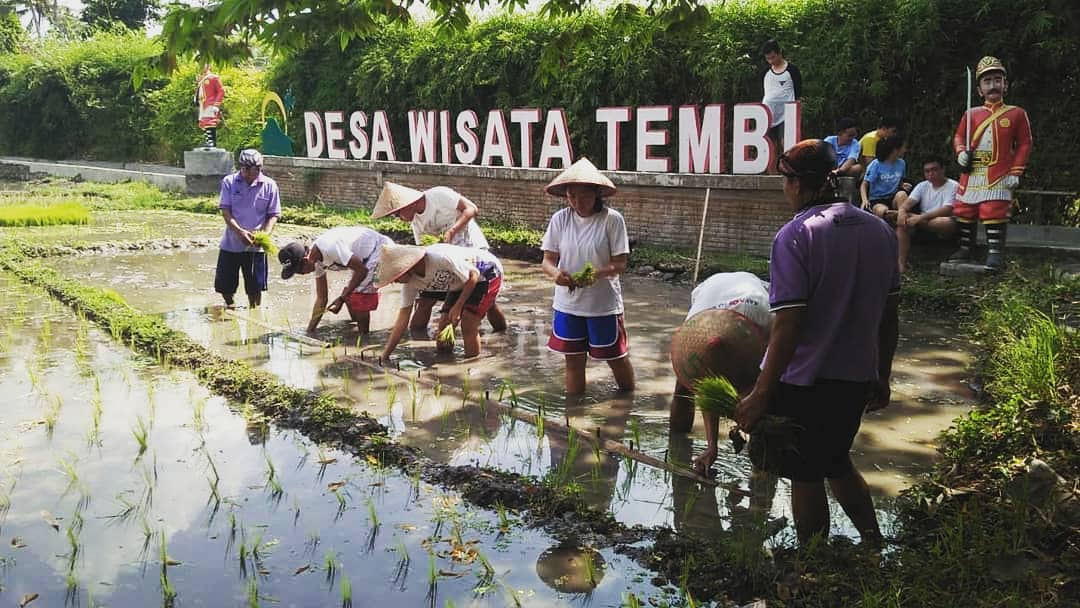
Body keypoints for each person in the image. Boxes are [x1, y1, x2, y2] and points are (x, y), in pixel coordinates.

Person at [729, 139, 899, 546]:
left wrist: (761, 393)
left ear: (796, 183)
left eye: (785, 181)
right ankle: (873, 542)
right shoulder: (880, 231)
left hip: (804, 381)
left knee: (805, 475)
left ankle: (812, 562)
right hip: (856, 377)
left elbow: (788, 324)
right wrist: (882, 374)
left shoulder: (795, 236)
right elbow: (889, 316)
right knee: (836, 461)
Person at [540, 158, 634, 395]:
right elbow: (547, 261)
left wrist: (596, 274)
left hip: (602, 304)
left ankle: (627, 401)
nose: (577, 202)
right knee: (573, 361)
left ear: (597, 194)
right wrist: (556, 274)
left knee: (615, 357)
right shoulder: (560, 219)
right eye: (572, 196)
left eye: (584, 196)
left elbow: (620, 264)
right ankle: (574, 411)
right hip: (568, 304)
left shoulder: (612, 220)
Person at [669, 272, 773, 474]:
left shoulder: (766, 315)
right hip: (710, 295)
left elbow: (771, 370)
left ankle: (763, 466)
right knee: (683, 390)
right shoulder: (695, 327)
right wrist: (712, 447)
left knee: (761, 397)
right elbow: (709, 392)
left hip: (752, 306)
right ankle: (676, 447)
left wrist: (754, 397)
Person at [371, 182, 508, 333]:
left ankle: (500, 332)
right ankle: (419, 338)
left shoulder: (438, 195)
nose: (399, 218)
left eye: (398, 214)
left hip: (472, 253)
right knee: (424, 302)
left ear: (407, 205)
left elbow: (472, 209)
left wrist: (452, 231)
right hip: (444, 261)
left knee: (483, 303)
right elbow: (422, 254)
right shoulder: (416, 224)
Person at [951, 56, 1033, 271]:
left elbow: (1025, 143)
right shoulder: (971, 114)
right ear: (979, 89)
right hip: (972, 171)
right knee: (964, 210)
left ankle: (995, 252)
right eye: (987, 81)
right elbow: (959, 137)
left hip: (998, 171)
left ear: (1005, 85)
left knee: (993, 209)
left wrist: (1016, 171)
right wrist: (960, 153)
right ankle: (965, 248)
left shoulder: (1016, 114)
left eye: (997, 80)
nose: (993, 85)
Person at [376, 242, 503, 360]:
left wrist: (458, 306)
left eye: (395, 277)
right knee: (444, 323)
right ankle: (445, 360)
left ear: (406, 268)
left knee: (468, 321)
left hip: (485, 272)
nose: (394, 282)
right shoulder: (410, 284)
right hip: (459, 282)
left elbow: (473, 275)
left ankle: (472, 365)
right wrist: (385, 355)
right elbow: (402, 321)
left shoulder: (439, 258)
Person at [277, 226, 392, 333]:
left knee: (358, 295)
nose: (302, 274)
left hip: (380, 249)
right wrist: (310, 330)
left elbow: (362, 271)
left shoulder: (330, 247)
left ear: (306, 260)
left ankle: (363, 338)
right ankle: (356, 325)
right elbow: (322, 298)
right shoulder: (315, 260)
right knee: (349, 292)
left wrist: (342, 298)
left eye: (298, 271)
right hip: (364, 259)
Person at [214, 149, 280, 309]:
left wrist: (264, 234)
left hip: (256, 247)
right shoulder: (229, 182)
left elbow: (273, 215)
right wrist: (240, 232)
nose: (252, 174)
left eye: (256, 170)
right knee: (225, 286)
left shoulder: (269, 185)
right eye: (248, 170)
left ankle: (254, 310)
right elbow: (225, 211)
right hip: (231, 244)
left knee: (255, 288)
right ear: (241, 167)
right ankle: (230, 306)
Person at [895, 157, 959, 273]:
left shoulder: (953, 186)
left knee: (942, 222)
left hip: (942, 224)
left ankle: (910, 217)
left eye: (934, 170)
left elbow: (948, 209)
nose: (930, 174)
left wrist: (920, 218)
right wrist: (901, 212)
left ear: (943, 169)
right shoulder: (922, 185)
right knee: (902, 222)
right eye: (927, 171)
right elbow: (907, 204)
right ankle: (900, 264)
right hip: (923, 223)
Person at [761, 40, 803, 153]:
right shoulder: (765, 72)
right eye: (768, 59)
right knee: (770, 147)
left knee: (787, 144)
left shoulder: (792, 70)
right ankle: (774, 166)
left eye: (773, 57)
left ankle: (789, 165)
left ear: (779, 53)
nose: (771, 61)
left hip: (786, 114)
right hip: (768, 114)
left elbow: (798, 92)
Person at [860, 134, 912, 222]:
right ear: (895, 149)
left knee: (902, 194)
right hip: (877, 200)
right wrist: (864, 200)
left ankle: (900, 219)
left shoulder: (901, 163)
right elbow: (864, 184)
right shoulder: (876, 164)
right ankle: (901, 215)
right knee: (882, 211)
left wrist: (902, 185)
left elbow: (899, 180)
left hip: (893, 198)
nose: (905, 150)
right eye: (903, 147)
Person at [195, 64, 224, 148]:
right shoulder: (201, 79)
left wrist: (217, 104)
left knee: (210, 122)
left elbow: (221, 91)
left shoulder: (213, 77)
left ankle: (211, 141)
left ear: (208, 66)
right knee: (203, 122)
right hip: (202, 104)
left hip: (210, 104)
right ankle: (208, 140)